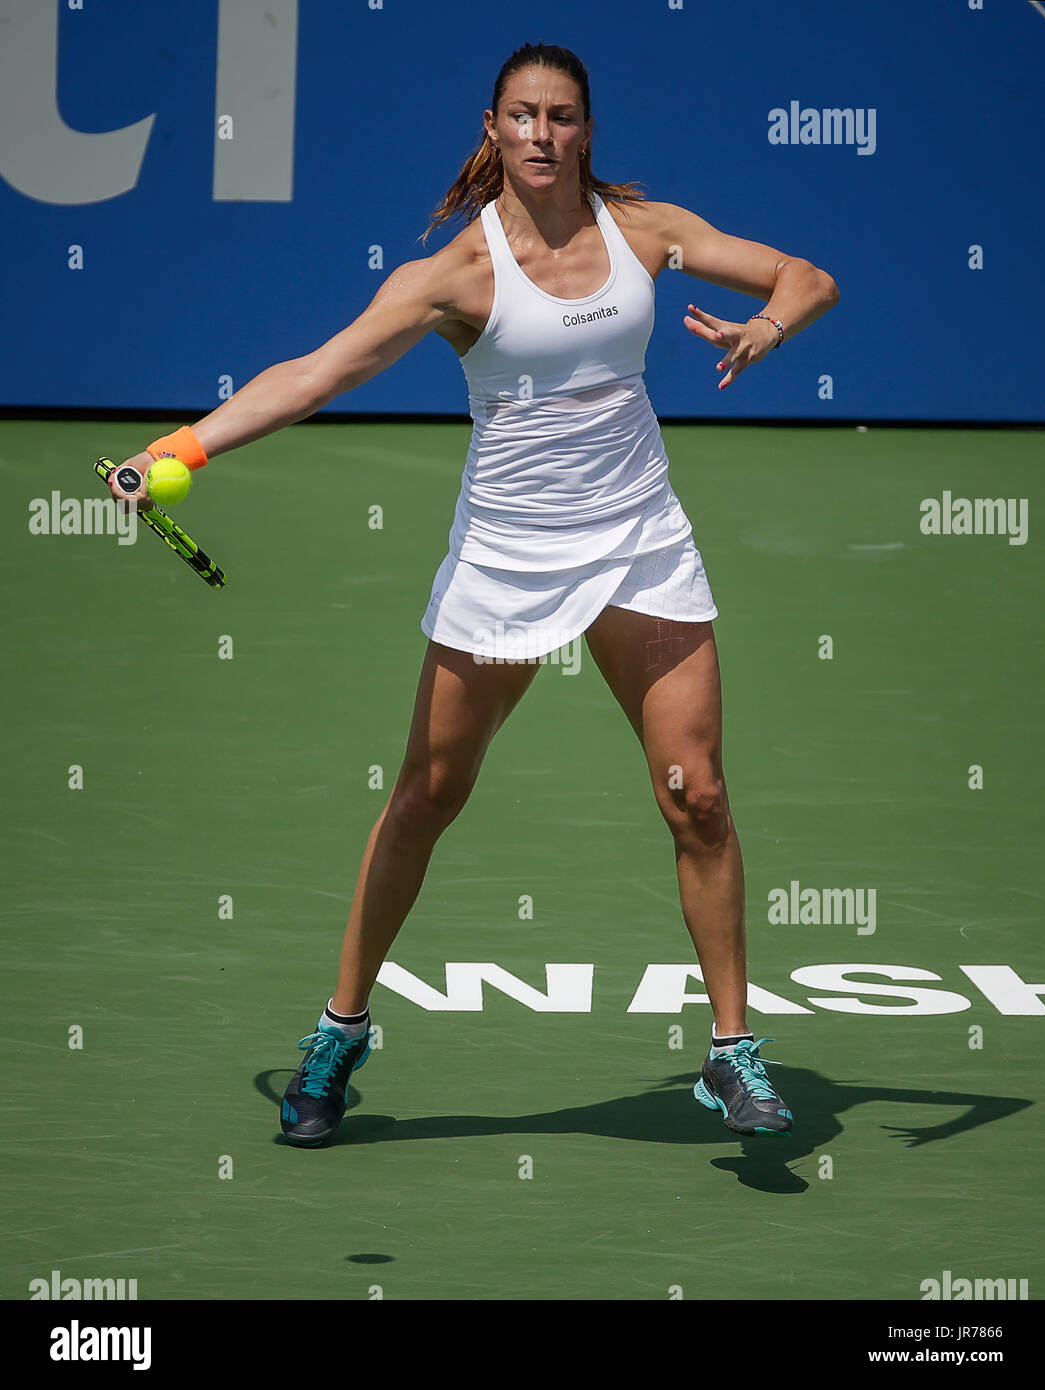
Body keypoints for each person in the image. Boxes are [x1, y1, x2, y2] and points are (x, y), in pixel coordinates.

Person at [111, 42, 838, 1148]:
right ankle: (340, 1030)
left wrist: (768, 328)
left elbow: (806, 274)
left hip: (641, 541)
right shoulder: (455, 277)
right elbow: (315, 373)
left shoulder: (649, 231)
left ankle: (733, 1054)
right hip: (506, 560)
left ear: (588, 129)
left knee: (699, 796)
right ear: (492, 129)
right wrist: (179, 452)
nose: (542, 135)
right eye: (521, 117)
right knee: (425, 800)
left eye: (561, 116)